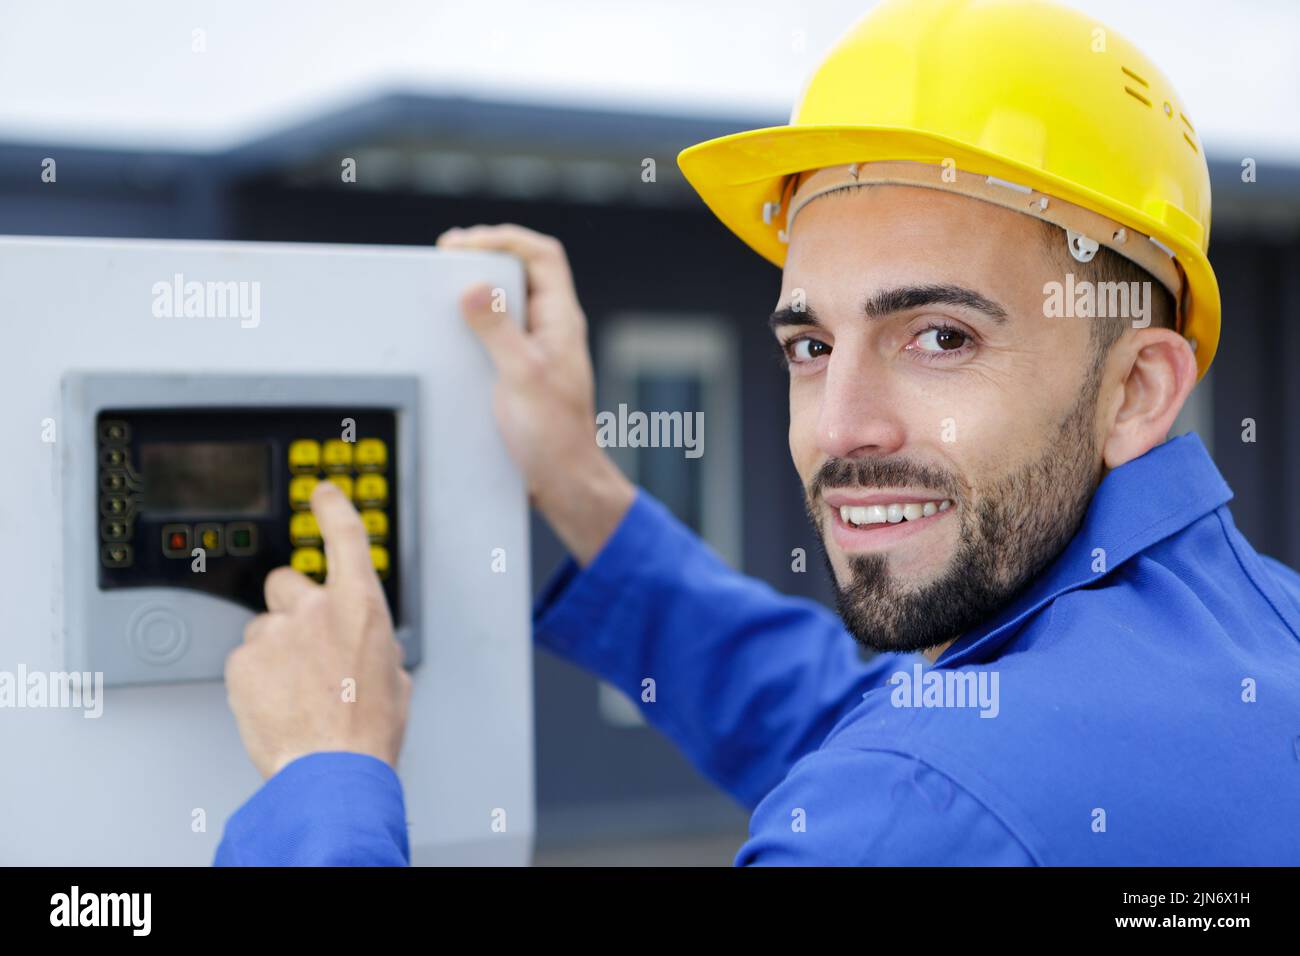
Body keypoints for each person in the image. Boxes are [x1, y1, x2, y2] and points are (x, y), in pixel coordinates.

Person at [215, 0, 1300, 865]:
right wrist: (584, 488)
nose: (841, 428)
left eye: (939, 337)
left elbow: (926, 774)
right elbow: (875, 715)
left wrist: (323, 783)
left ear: (1135, 391)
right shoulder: (1256, 642)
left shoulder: (903, 809)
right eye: (811, 346)